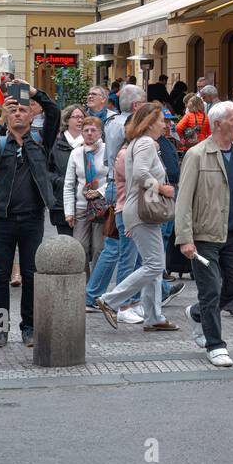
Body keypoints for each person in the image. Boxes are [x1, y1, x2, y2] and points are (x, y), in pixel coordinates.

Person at [0, 80, 61, 348]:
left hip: (31, 218)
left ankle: (29, 326)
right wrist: (0, 120)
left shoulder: (40, 140)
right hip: (2, 217)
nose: (17, 114)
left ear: (31, 114)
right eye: (13, 110)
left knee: (30, 274)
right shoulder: (1, 140)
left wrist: (35, 92)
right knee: (1, 276)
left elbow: (55, 113)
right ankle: (0, 330)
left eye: (22, 110)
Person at [176, 100, 233, 368]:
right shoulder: (197, 154)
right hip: (204, 235)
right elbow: (183, 200)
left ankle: (196, 314)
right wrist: (185, 238)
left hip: (231, 235)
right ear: (218, 123)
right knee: (210, 291)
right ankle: (215, 345)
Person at [93, 104, 179, 332]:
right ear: (150, 122)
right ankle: (110, 299)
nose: (165, 124)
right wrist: (162, 189)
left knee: (152, 263)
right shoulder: (146, 143)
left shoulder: (137, 143)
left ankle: (153, 317)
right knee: (154, 265)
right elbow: (141, 174)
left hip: (138, 210)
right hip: (141, 210)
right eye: (162, 120)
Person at [63, 114, 108, 270]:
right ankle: (85, 284)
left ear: (100, 133)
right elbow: (69, 184)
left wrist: (100, 192)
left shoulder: (107, 151)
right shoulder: (76, 153)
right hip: (81, 205)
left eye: (93, 130)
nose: (89, 133)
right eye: (86, 130)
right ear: (82, 133)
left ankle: (96, 285)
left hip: (101, 206)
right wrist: (69, 211)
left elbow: (114, 178)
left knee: (98, 248)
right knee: (80, 247)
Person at [50, 103, 87, 238]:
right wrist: (60, 181)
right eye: (76, 117)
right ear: (67, 119)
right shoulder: (56, 143)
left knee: (84, 248)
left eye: (82, 117)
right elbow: (47, 171)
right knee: (67, 246)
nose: (80, 120)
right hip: (61, 203)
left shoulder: (91, 143)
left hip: (86, 203)